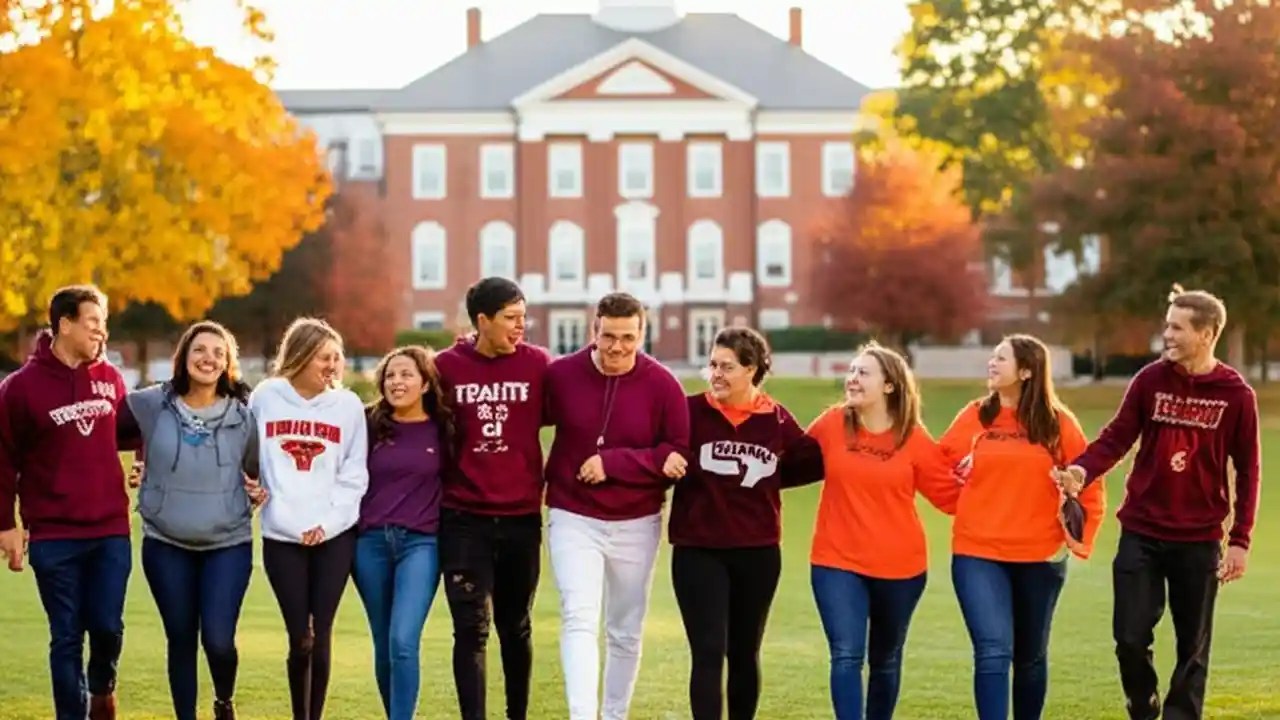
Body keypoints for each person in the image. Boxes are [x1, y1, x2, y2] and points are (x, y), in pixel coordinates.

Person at [1056, 285, 1259, 720]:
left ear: (1206, 334)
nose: (1165, 334)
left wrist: (1240, 540)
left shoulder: (1236, 394)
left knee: (1193, 646)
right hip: (1142, 531)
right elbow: (1116, 437)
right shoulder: (1150, 380)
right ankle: (1142, 702)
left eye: (1176, 327)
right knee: (1129, 637)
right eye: (1166, 325)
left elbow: (1249, 471)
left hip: (1199, 538)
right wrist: (1080, 471)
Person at [939, 334, 1106, 720]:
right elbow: (937, 468)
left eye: (1001, 358)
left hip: (1040, 557)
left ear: (1027, 371)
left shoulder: (1057, 424)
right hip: (977, 552)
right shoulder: (975, 416)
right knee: (993, 650)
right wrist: (959, 496)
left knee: (1030, 656)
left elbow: (1089, 482)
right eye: (992, 357)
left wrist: (1080, 539)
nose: (991, 364)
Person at [543, 292, 690, 720]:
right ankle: (582, 715)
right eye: (608, 336)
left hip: (637, 522)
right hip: (573, 516)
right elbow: (518, 418)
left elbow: (676, 453)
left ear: (642, 334)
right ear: (594, 331)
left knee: (624, 630)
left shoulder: (663, 385)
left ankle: (614, 714)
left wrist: (614, 463)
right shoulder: (561, 376)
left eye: (628, 338)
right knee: (579, 618)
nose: (617, 347)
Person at [116, 321, 268, 720]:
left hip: (228, 544)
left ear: (228, 363)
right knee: (181, 638)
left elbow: (257, 473)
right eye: (200, 349)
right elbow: (102, 434)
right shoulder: (151, 405)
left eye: (219, 352)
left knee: (218, 640)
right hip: (166, 543)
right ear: (183, 356)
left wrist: (260, 490)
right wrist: (138, 466)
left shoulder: (244, 415)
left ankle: (223, 700)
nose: (209, 358)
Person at [667, 326, 820, 720]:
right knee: (707, 651)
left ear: (751, 369)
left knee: (745, 652)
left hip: (758, 552)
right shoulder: (689, 410)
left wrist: (769, 480)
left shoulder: (777, 419)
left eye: (727, 366)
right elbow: (661, 453)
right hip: (697, 549)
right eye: (713, 365)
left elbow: (812, 462)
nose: (716, 373)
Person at [806, 343, 961, 720]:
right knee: (846, 654)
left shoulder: (914, 438)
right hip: (836, 561)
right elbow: (788, 460)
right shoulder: (832, 424)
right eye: (852, 371)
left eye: (863, 372)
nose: (852, 378)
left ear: (889, 385)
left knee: (886, 660)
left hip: (901, 569)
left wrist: (988, 471)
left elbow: (951, 498)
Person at [0, 285, 134, 720]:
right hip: (54, 534)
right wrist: (6, 525)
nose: (102, 332)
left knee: (108, 628)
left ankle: (102, 685)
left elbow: (137, 429)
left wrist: (146, 460)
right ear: (65, 324)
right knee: (66, 636)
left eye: (104, 323)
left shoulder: (109, 379)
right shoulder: (19, 389)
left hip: (110, 529)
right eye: (93, 322)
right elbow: (3, 460)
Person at [433, 277, 551, 720]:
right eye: (511, 318)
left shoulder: (538, 364)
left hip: (521, 517)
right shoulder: (446, 367)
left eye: (524, 317)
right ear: (482, 321)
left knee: (515, 627)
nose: (521, 327)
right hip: (464, 519)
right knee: (470, 630)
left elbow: (575, 416)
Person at [250, 317, 369, 720]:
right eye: (324, 358)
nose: (333, 367)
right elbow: (247, 455)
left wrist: (330, 524)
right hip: (282, 536)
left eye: (337, 358)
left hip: (334, 537)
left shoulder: (348, 406)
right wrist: (251, 487)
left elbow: (354, 476)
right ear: (299, 356)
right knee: (299, 635)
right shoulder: (266, 397)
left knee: (321, 634)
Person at [352, 346, 453, 720]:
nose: (397, 382)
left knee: (403, 640)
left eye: (407, 374)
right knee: (383, 644)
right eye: (390, 375)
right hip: (369, 545)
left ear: (425, 383)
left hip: (421, 545)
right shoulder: (367, 424)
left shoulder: (443, 429)